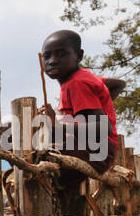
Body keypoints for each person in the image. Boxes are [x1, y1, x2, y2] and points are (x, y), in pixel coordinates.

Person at [39, 29, 120, 189]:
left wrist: (57, 125)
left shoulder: (78, 83)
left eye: (61, 54)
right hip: (93, 150)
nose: (53, 61)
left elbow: (104, 128)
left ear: (79, 56)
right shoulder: (81, 78)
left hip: (97, 152)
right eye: (47, 56)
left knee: (32, 143)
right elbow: (117, 84)